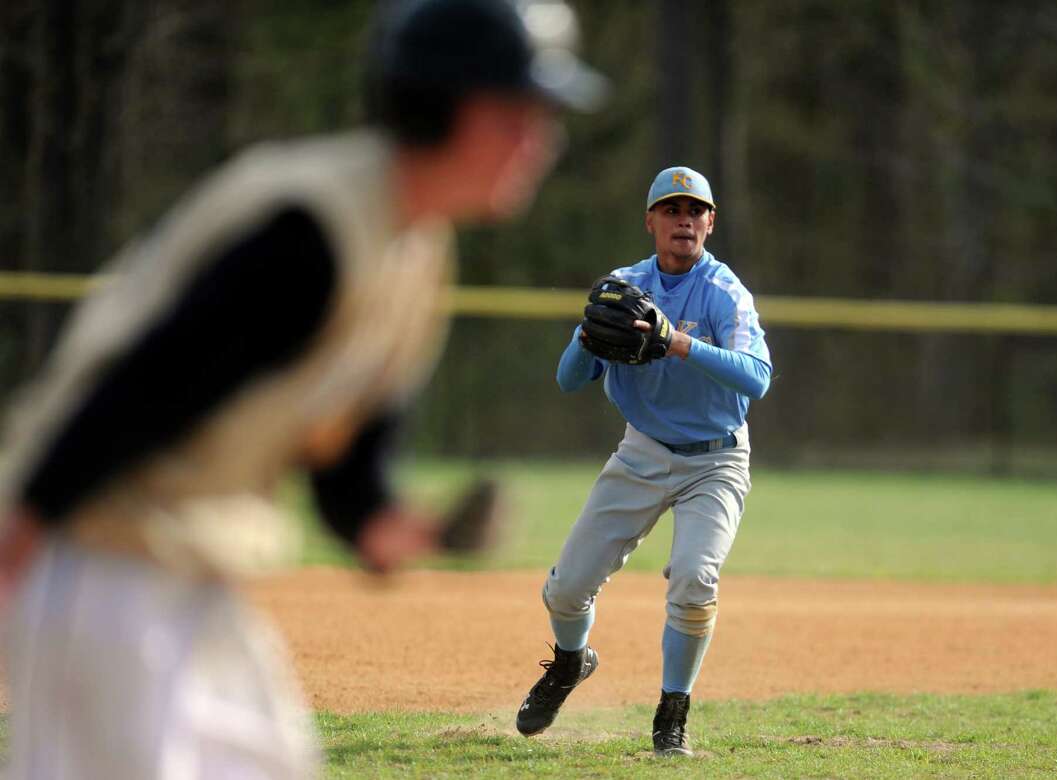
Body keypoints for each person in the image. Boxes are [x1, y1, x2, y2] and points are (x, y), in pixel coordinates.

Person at [0, 0, 605, 777]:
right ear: (442, 102)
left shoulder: (415, 251)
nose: (541, 138)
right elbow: (147, 388)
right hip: (96, 563)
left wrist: (383, 523)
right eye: (518, 110)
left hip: (185, 573)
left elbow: (344, 451)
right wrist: (25, 528)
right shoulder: (315, 228)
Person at [515, 166, 772, 757]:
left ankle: (671, 716)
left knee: (694, 580)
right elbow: (567, 380)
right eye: (672, 209)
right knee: (566, 590)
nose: (684, 219)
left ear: (710, 223)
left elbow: (756, 379)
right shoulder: (623, 287)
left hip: (716, 460)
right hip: (643, 452)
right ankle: (569, 664)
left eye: (695, 210)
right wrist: (587, 336)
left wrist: (676, 340)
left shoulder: (725, 293)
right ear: (651, 221)